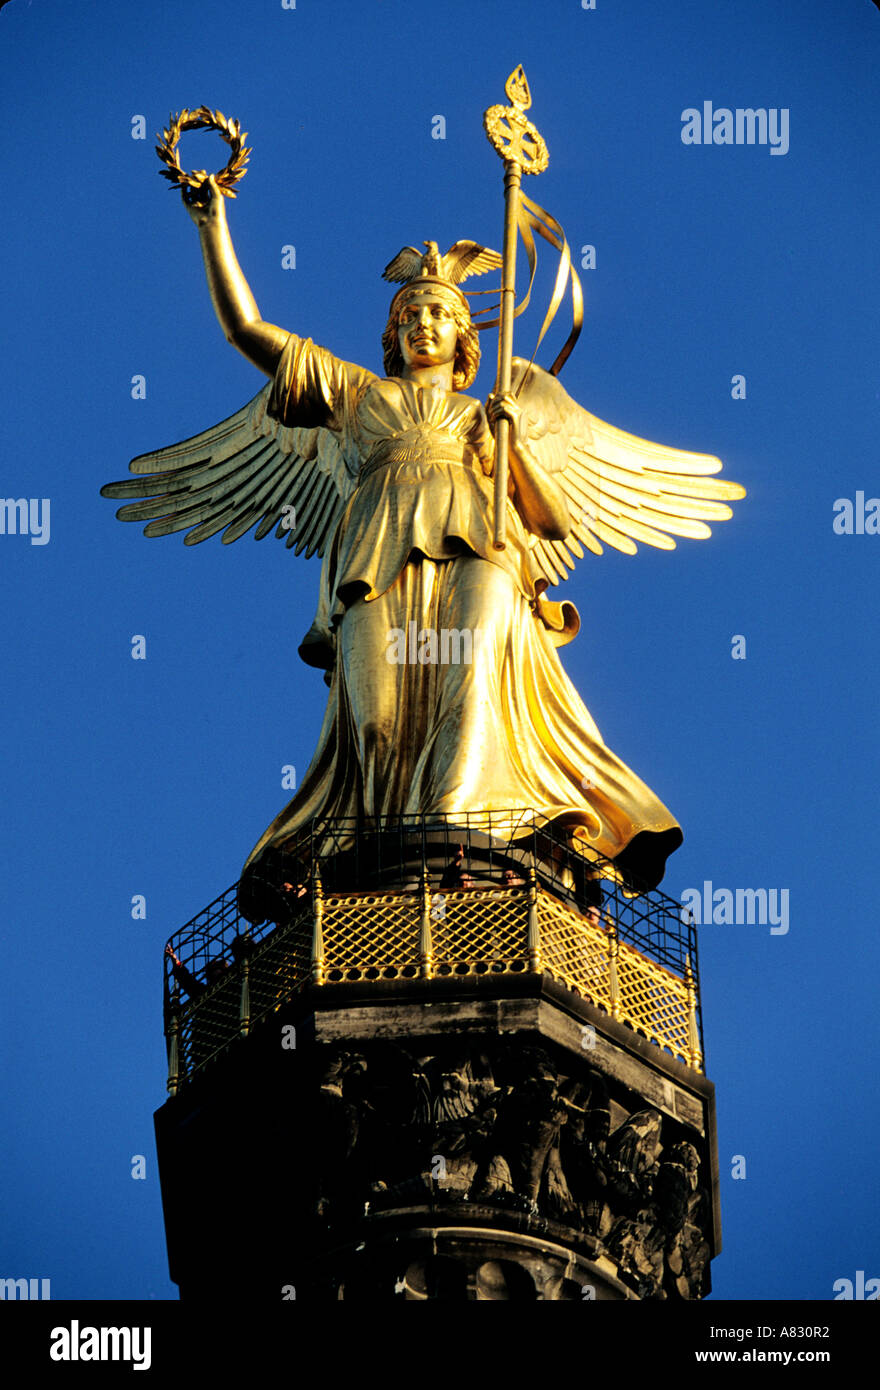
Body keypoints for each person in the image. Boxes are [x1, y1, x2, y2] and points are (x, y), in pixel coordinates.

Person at [111, 177, 697, 902]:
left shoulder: (492, 415)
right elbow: (246, 331)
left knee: (472, 684)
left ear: (463, 337)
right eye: (411, 312)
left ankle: (461, 834)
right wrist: (212, 224)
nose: (424, 322)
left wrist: (507, 444)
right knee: (377, 718)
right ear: (393, 334)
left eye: (440, 313)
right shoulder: (358, 398)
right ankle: (383, 848)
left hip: (482, 557)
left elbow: (552, 524)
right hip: (373, 566)